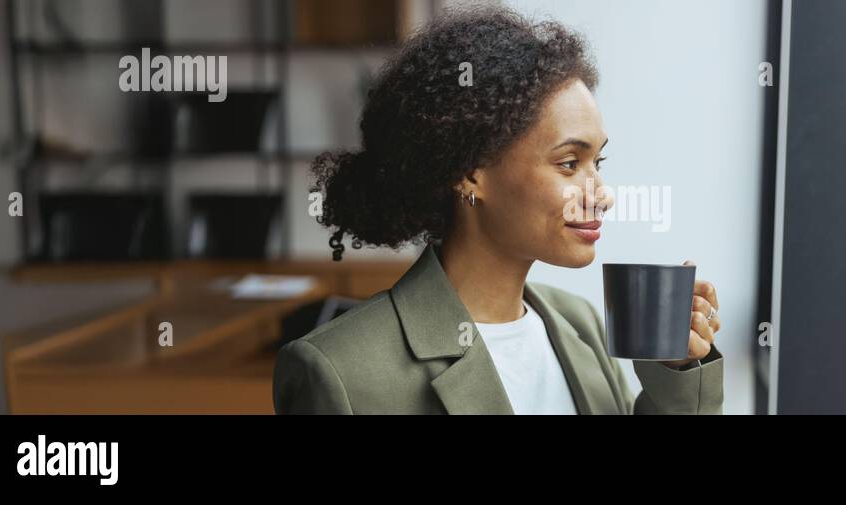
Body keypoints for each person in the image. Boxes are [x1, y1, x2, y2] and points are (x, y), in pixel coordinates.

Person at [273, 6, 723, 414]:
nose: (602, 194)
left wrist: (677, 369)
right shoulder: (341, 373)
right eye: (569, 163)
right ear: (470, 173)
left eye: (597, 163)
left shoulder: (578, 323)